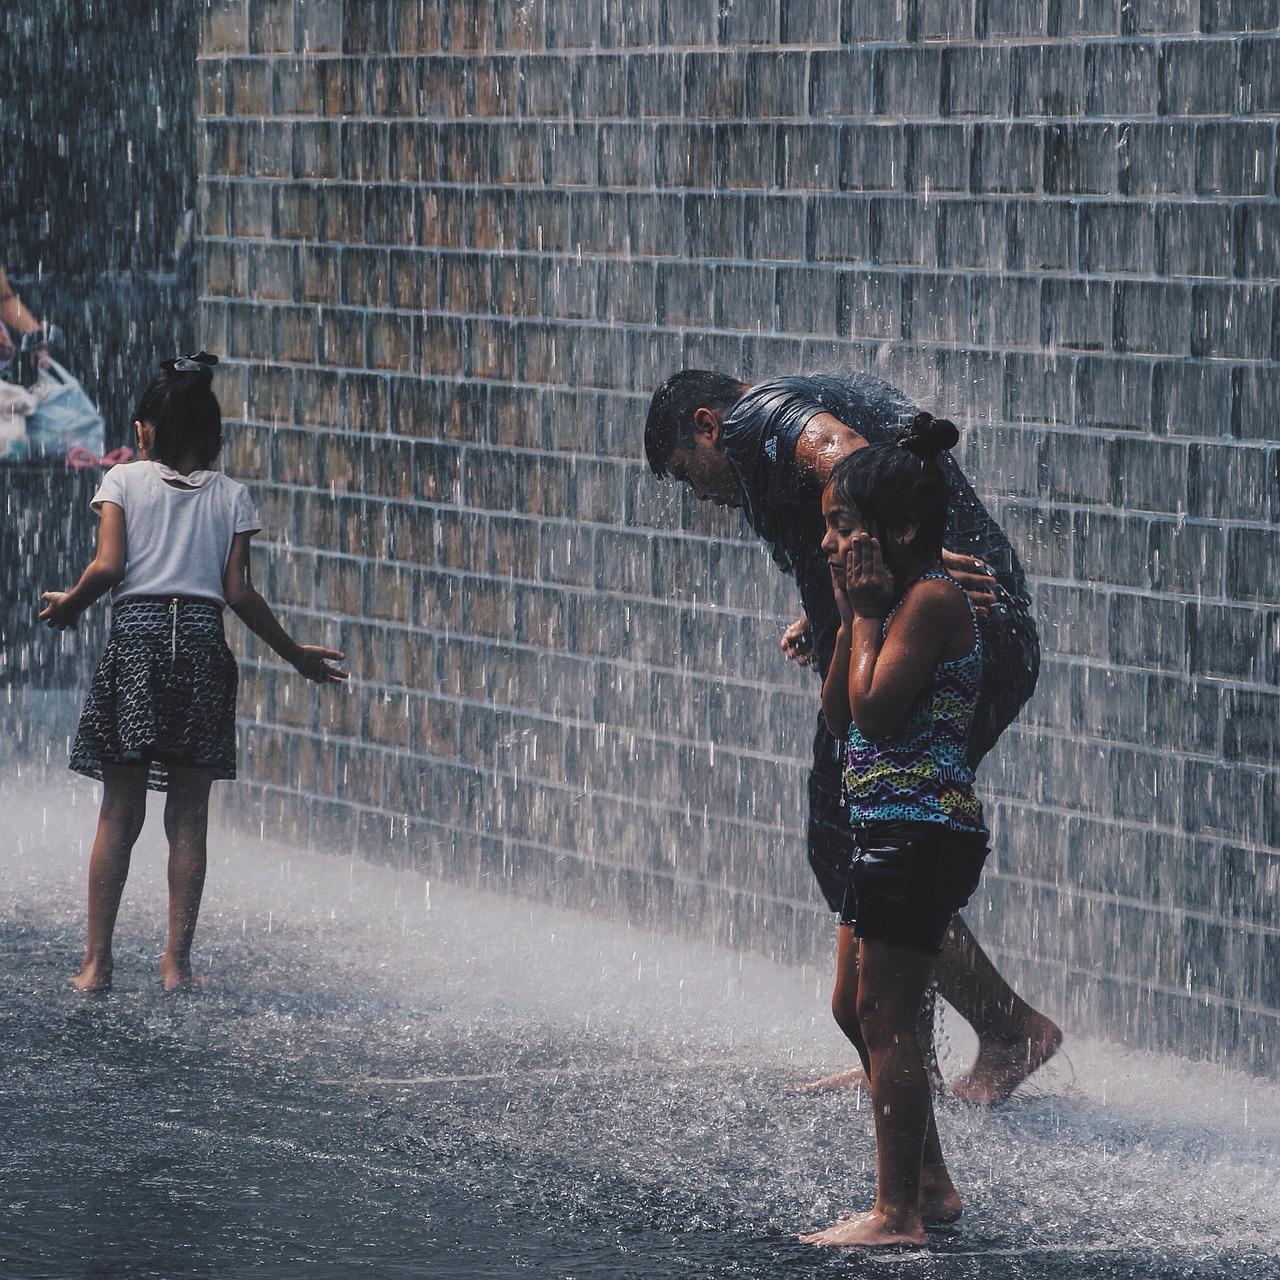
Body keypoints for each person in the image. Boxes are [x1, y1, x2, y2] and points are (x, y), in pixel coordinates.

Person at [644, 369, 1060, 1104]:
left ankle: (995, 1033)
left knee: (863, 838)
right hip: (970, 634)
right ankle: (906, 1051)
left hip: (952, 637)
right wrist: (832, 613)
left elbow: (846, 454)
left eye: (686, 471)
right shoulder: (788, 409)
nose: (699, 493)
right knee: (868, 834)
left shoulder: (756, 421)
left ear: (706, 424)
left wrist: (910, 571)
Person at [38, 352, 347, 993]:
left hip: (139, 644)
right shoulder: (233, 497)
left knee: (118, 813)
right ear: (213, 438)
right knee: (188, 818)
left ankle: (96, 964)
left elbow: (110, 567)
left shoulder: (122, 481)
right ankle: (176, 965)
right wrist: (294, 655)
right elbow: (239, 594)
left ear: (146, 431)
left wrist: (70, 604)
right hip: (203, 649)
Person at [801, 415, 989, 1247]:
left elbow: (878, 710)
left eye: (844, 527)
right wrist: (848, 617)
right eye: (827, 528)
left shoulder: (931, 603)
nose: (831, 542)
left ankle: (898, 1212)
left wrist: (870, 614)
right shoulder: (877, 606)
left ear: (900, 530)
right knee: (857, 1007)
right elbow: (841, 717)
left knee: (887, 1018)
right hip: (884, 830)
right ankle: (930, 1181)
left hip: (922, 833)